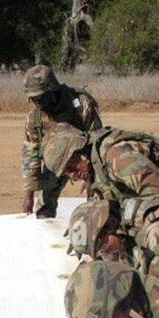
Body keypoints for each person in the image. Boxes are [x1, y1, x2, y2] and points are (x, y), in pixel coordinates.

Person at [20, 64, 101, 219]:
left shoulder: (80, 104)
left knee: (99, 200)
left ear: (53, 90)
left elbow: (98, 141)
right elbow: (31, 156)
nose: (38, 102)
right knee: (43, 208)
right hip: (57, 163)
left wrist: (91, 175)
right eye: (33, 98)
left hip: (86, 160)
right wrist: (28, 196)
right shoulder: (35, 118)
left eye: (41, 96)